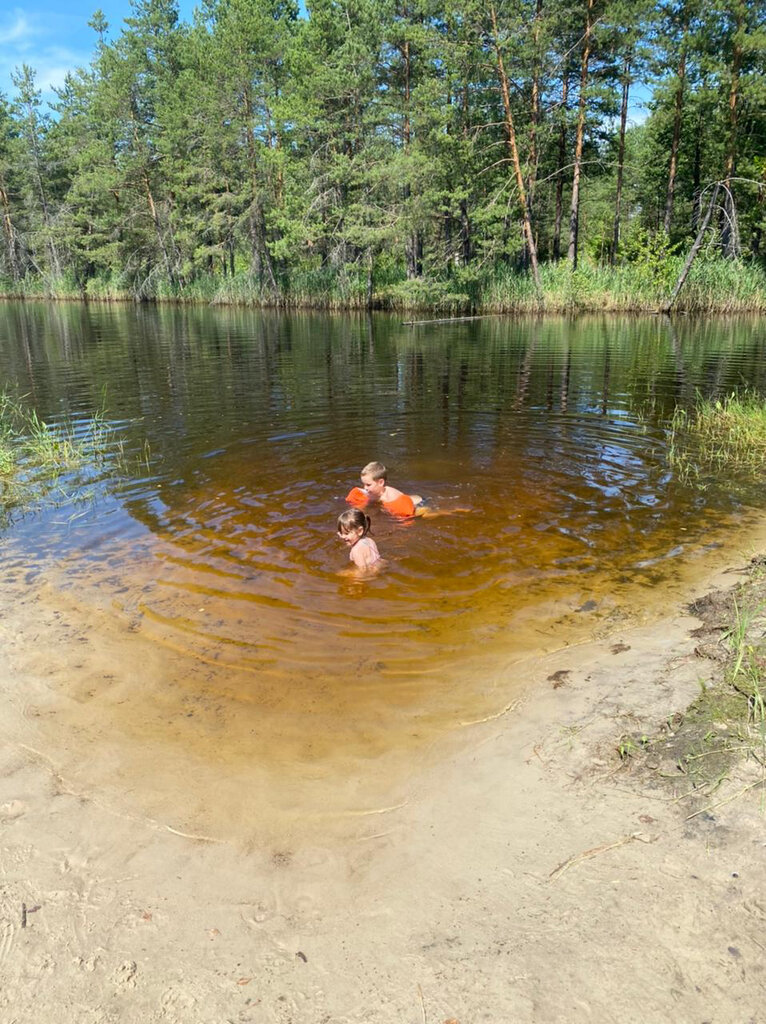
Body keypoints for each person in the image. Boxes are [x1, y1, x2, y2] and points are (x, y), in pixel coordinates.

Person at [346, 461, 422, 518]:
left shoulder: (391, 498)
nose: (365, 487)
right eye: (364, 484)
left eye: (368, 485)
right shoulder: (368, 493)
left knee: (426, 515)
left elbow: (405, 521)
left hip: (419, 504)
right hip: (408, 499)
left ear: (381, 482)